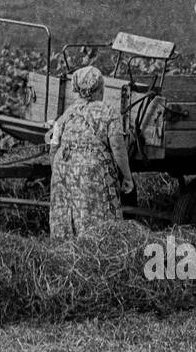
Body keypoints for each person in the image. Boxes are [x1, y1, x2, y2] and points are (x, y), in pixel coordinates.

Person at [46, 65, 136, 238]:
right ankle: (95, 250)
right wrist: (127, 176)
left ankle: (65, 252)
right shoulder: (109, 112)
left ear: (77, 89)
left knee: (66, 217)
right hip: (91, 170)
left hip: (62, 167)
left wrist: (58, 173)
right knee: (94, 217)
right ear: (100, 88)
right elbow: (117, 146)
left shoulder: (67, 114)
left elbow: (54, 147)